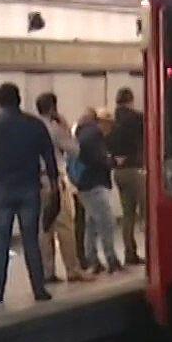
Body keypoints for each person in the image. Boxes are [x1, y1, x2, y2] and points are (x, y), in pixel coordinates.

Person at [0, 83, 56, 303]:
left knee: (1, 241)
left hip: (1, 190)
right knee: (31, 239)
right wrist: (55, 184)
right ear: (19, 99)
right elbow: (49, 156)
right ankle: (39, 289)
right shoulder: (34, 125)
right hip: (29, 187)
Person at [35, 93, 89, 284]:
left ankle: (47, 271)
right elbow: (75, 149)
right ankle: (73, 270)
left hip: (35, 182)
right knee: (65, 225)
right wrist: (65, 126)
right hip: (55, 181)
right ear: (53, 108)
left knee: (44, 228)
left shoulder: (33, 127)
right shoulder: (55, 128)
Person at [75, 108, 123, 274]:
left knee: (92, 224)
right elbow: (99, 159)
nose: (110, 129)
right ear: (102, 122)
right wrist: (113, 161)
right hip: (94, 184)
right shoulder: (94, 135)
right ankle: (111, 260)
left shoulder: (82, 134)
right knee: (106, 222)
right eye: (109, 124)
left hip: (84, 185)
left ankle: (93, 260)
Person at [108, 88, 146, 266]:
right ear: (130, 100)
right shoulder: (137, 119)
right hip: (136, 170)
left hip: (118, 172)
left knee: (127, 215)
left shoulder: (111, 122)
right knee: (146, 214)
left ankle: (129, 253)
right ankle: (152, 252)